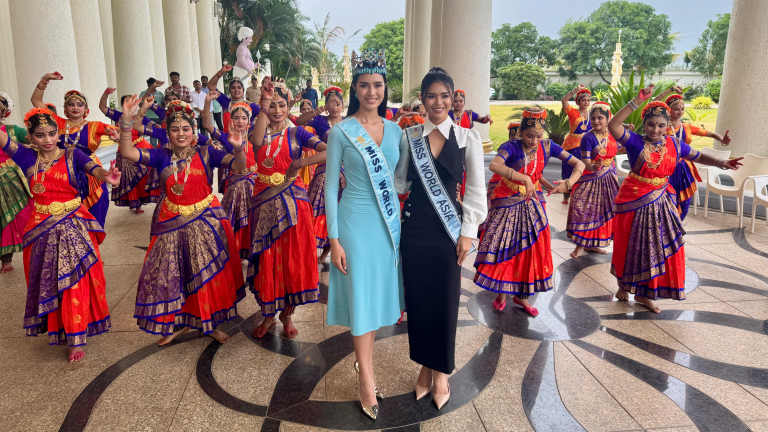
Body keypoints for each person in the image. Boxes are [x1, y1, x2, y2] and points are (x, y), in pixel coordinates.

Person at [117, 96, 246, 345]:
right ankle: (179, 324)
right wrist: (126, 122)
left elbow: (239, 166)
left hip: (205, 221)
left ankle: (208, 324)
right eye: (175, 129)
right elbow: (127, 152)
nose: (181, 133)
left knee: (205, 275)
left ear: (193, 131)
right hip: (171, 219)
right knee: (174, 273)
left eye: (186, 128)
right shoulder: (161, 156)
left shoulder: (207, 153)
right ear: (167, 133)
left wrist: (239, 148)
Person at [395, 67, 487, 411]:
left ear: (453, 99)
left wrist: (468, 233)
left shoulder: (467, 139)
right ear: (423, 99)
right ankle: (424, 366)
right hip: (416, 230)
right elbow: (400, 184)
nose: (437, 102)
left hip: (450, 235)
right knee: (419, 303)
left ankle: (442, 373)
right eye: (431, 95)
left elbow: (477, 192)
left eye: (444, 96)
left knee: (446, 302)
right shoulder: (410, 137)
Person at [0, 107, 121, 362]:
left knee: (77, 280)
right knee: (52, 282)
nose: (47, 139)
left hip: (74, 224)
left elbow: (93, 169)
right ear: (31, 137)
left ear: (58, 133)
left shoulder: (72, 154)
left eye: (52, 133)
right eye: (40, 135)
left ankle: (77, 336)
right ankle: (59, 326)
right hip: (41, 229)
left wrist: (106, 175)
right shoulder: (25, 157)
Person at [607, 86, 742, 313]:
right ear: (644, 125)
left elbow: (698, 156)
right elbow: (613, 126)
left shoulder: (675, 144)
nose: (656, 130)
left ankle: (645, 294)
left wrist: (721, 163)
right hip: (634, 200)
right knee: (630, 246)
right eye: (651, 124)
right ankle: (623, 285)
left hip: (662, 200)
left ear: (667, 125)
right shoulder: (635, 142)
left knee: (657, 247)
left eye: (661, 125)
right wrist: (637, 100)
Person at [324, 50, 403, 421]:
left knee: (373, 301)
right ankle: (366, 378)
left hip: (387, 226)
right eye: (365, 85)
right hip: (354, 224)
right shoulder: (341, 131)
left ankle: (364, 366)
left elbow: (402, 180)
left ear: (385, 88)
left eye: (378, 85)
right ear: (356, 89)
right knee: (360, 300)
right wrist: (334, 239)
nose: (372, 92)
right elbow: (328, 189)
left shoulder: (398, 131)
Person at [474, 107, 584, 317]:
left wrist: (568, 183)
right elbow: (495, 166)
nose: (533, 141)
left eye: (538, 136)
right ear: (520, 133)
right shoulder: (511, 147)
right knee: (505, 247)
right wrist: (523, 178)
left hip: (532, 202)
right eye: (529, 136)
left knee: (532, 248)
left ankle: (522, 296)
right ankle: (502, 293)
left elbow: (578, 163)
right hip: (508, 200)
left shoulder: (548, 146)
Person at [245, 79, 327, 340]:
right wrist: (263, 104)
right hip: (263, 202)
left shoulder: (298, 133)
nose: (277, 110)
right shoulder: (259, 130)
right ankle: (268, 315)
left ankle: (287, 314)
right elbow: (256, 142)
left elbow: (329, 149)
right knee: (268, 257)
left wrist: (300, 162)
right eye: (273, 105)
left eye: (282, 105)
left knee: (291, 261)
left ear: (288, 105)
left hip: (293, 204)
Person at [31, 72, 120, 228]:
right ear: (65, 108)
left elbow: (119, 131)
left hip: (89, 174)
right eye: (71, 104)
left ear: (86, 108)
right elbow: (36, 100)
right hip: (62, 172)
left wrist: (118, 135)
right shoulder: (57, 122)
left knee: (92, 220)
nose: (75, 108)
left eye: (79, 105)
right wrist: (44, 80)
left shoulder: (95, 126)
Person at [655, 88, 732, 220]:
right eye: (676, 109)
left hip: (685, 169)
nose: (680, 112)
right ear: (668, 110)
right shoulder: (661, 127)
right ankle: (667, 229)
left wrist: (722, 139)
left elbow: (709, 133)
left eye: (682, 109)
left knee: (685, 201)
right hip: (666, 169)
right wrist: (668, 91)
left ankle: (677, 228)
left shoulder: (687, 127)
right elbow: (655, 103)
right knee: (666, 201)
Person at [202, 91, 257, 258]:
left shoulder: (256, 137)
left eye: (243, 118)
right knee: (233, 220)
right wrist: (207, 102)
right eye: (236, 118)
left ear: (249, 121)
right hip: (235, 185)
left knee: (253, 219)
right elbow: (207, 124)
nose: (239, 121)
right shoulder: (227, 138)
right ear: (230, 120)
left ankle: (253, 250)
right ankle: (235, 252)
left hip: (255, 184)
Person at [296, 86, 346, 257]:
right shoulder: (320, 121)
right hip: (324, 166)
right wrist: (318, 110)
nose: (334, 107)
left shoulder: (349, 122)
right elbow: (300, 121)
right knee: (318, 200)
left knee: (340, 210)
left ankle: (327, 253)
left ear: (343, 105)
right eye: (331, 103)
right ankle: (311, 246)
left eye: (338, 103)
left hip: (345, 170)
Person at [567, 101, 620, 258]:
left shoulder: (611, 135)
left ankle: (594, 244)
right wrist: (593, 166)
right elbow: (585, 162)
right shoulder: (587, 138)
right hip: (590, 178)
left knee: (602, 212)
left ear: (608, 118)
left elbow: (615, 152)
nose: (596, 121)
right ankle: (580, 245)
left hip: (609, 177)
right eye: (593, 118)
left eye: (600, 118)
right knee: (585, 210)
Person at [98, 90, 160, 214]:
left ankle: (150, 199)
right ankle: (135, 204)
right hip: (124, 149)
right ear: (123, 105)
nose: (131, 104)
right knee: (129, 178)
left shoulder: (140, 118)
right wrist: (105, 94)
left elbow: (157, 127)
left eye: (133, 101)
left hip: (141, 147)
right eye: (127, 102)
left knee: (146, 176)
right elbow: (102, 107)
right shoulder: (118, 116)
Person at [0, 91, 32, 273]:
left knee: (17, 218)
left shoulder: (13, 131)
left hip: (12, 182)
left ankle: (7, 260)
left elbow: (35, 139)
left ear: (4, 112)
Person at [560, 85, 592, 204]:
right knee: (569, 170)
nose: (586, 102)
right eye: (583, 100)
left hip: (587, 146)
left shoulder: (592, 114)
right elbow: (564, 100)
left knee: (584, 171)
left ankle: (580, 194)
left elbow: (608, 121)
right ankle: (566, 195)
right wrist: (574, 90)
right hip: (572, 146)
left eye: (588, 100)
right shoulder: (572, 112)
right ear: (578, 101)